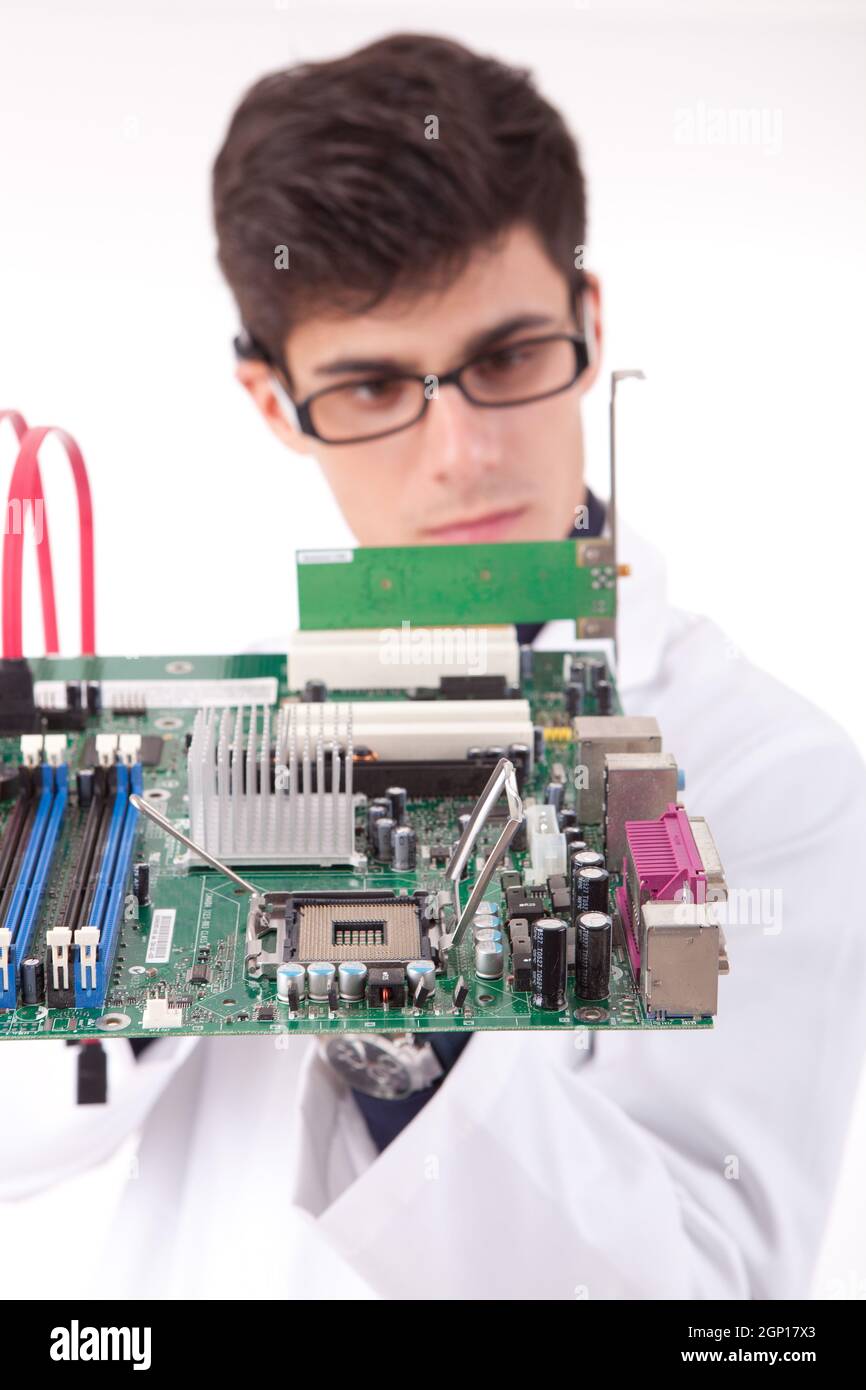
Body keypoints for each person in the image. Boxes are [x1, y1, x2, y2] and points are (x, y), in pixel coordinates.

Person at [2, 32, 865, 1301]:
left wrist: (402, 1025)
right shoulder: (200, 740)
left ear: (587, 322)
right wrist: (57, 897)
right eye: (368, 386)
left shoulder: (762, 771)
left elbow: (709, 1299)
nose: (457, 453)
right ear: (272, 400)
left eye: (506, 360)